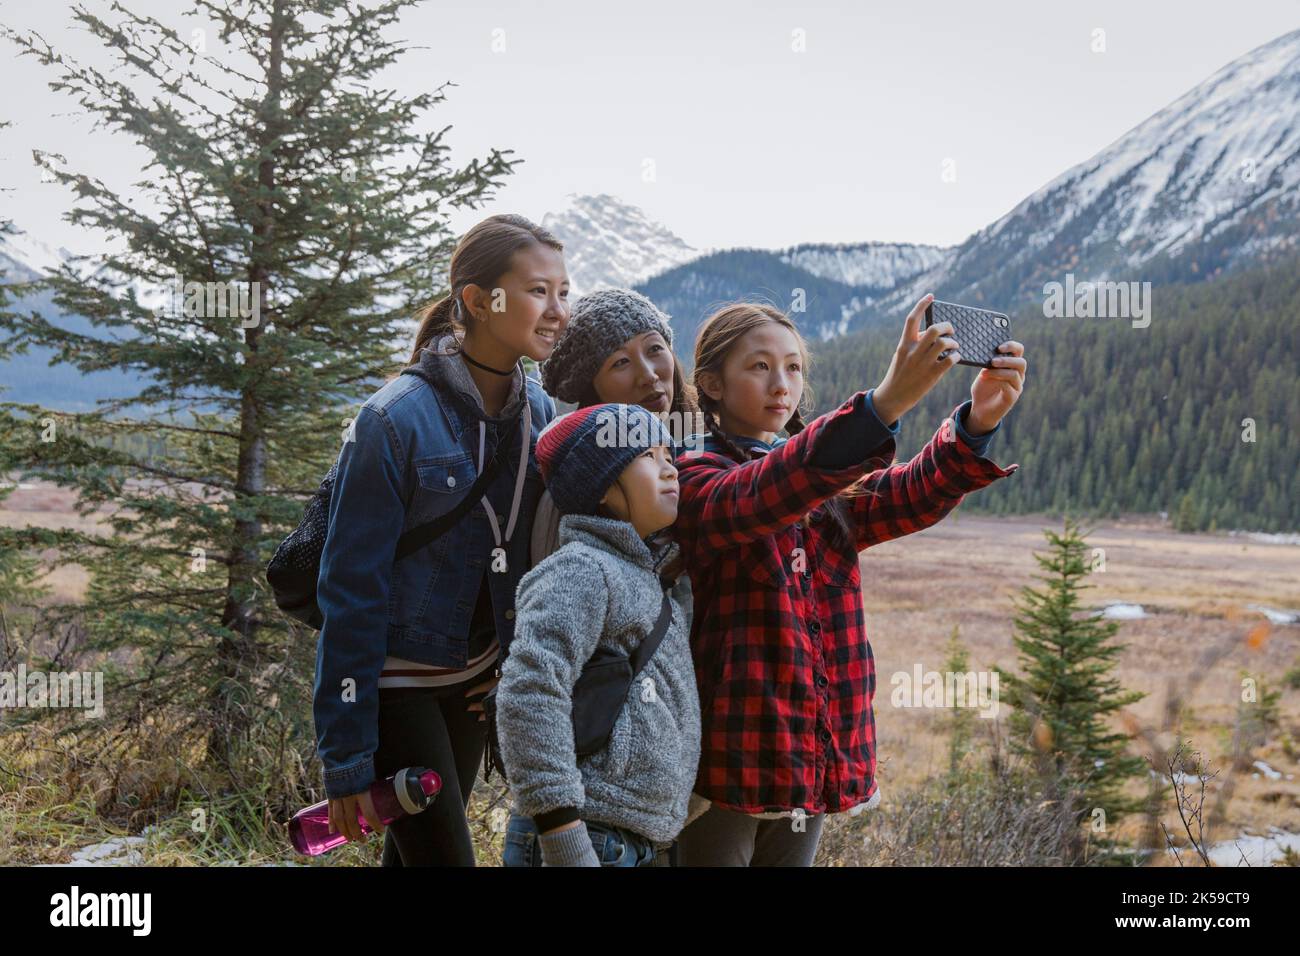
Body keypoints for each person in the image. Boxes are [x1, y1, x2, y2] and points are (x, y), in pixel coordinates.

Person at [672, 293, 1026, 865]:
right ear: (711, 384)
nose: (781, 384)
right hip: (730, 758)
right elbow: (765, 492)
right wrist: (884, 404)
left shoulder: (823, 486)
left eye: (793, 367)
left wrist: (977, 423)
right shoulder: (696, 477)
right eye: (759, 366)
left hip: (814, 753)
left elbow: (908, 494)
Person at [312, 214, 567, 865]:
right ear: (479, 301)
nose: (557, 310)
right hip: (399, 688)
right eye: (539, 291)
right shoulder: (393, 419)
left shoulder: (541, 414)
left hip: (473, 682)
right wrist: (346, 759)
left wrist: (505, 667)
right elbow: (350, 591)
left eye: (563, 292)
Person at [495, 403, 701, 866]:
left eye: (669, 453)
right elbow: (530, 690)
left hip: (626, 838)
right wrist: (563, 836)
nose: (670, 467)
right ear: (605, 486)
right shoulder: (582, 570)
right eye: (648, 456)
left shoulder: (649, 582)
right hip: (583, 837)